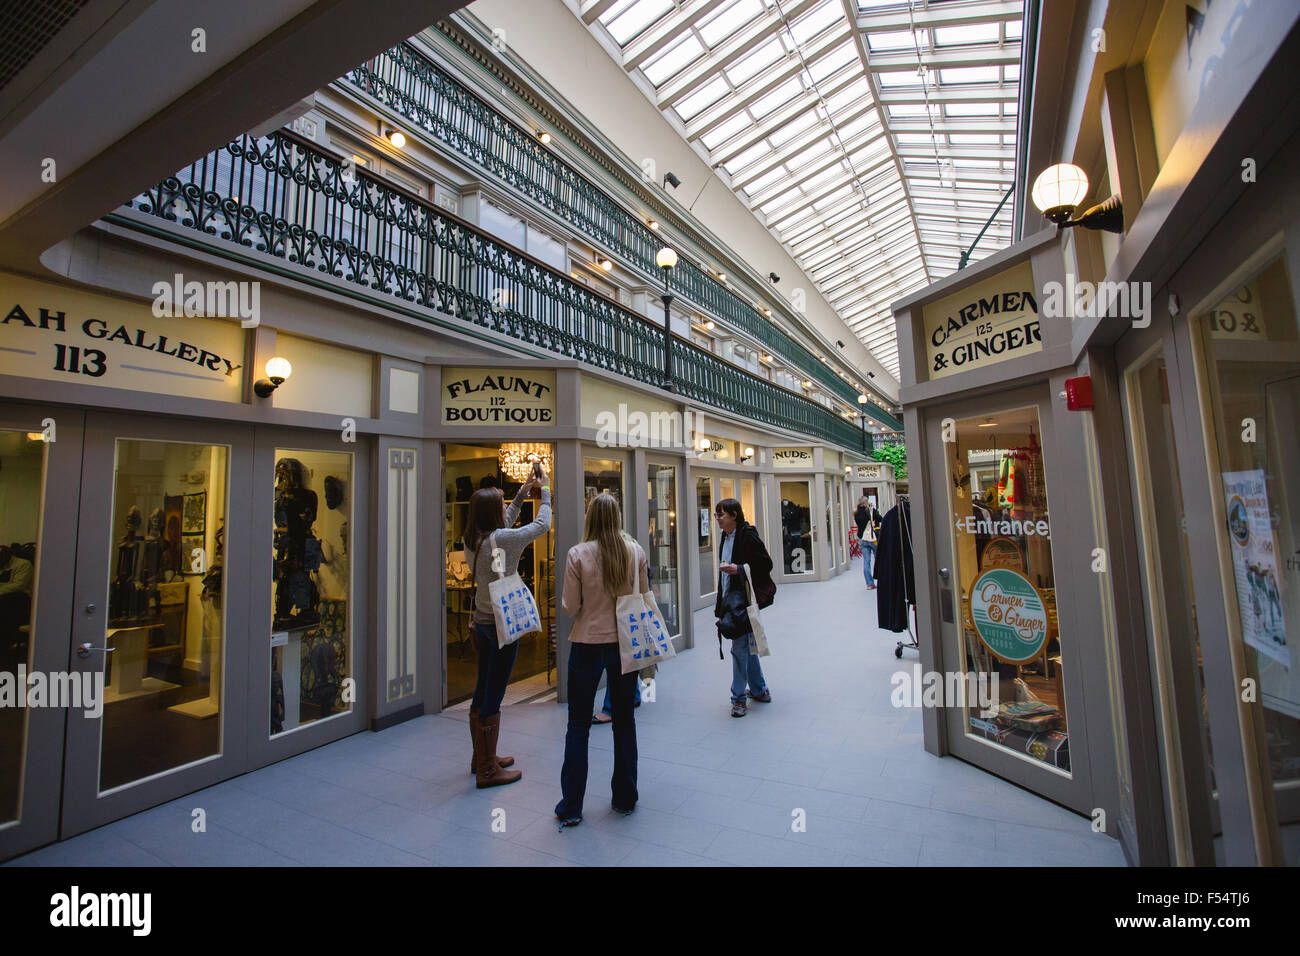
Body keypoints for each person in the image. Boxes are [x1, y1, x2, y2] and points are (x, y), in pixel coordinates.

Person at [555, 493, 646, 825]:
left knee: (578, 726)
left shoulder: (578, 554)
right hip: (625, 642)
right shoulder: (634, 551)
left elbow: (570, 606)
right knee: (625, 723)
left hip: (587, 643)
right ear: (618, 517)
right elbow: (642, 597)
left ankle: (572, 807)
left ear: (589, 516)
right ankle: (624, 798)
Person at [465, 466, 552, 788]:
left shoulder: (475, 537)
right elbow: (542, 525)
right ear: (492, 512)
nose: (506, 508)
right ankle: (489, 770)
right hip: (502, 625)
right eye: (501, 504)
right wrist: (545, 492)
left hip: (482, 621)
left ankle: (481, 757)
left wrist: (522, 490)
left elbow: (506, 521)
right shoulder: (501, 540)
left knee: (482, 686)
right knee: (495, 693)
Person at [714, 498, 774, 718]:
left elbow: (766, 564)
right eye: (716, 515)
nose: (718, 519)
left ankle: (738, 698)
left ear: (734, 515)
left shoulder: (747, 535)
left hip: (745, 601)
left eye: (721, 515)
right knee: (747, 645)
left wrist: (738, 569)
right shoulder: (725, 536)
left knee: (738, 649)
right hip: (733, 599)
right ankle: (759, 690)